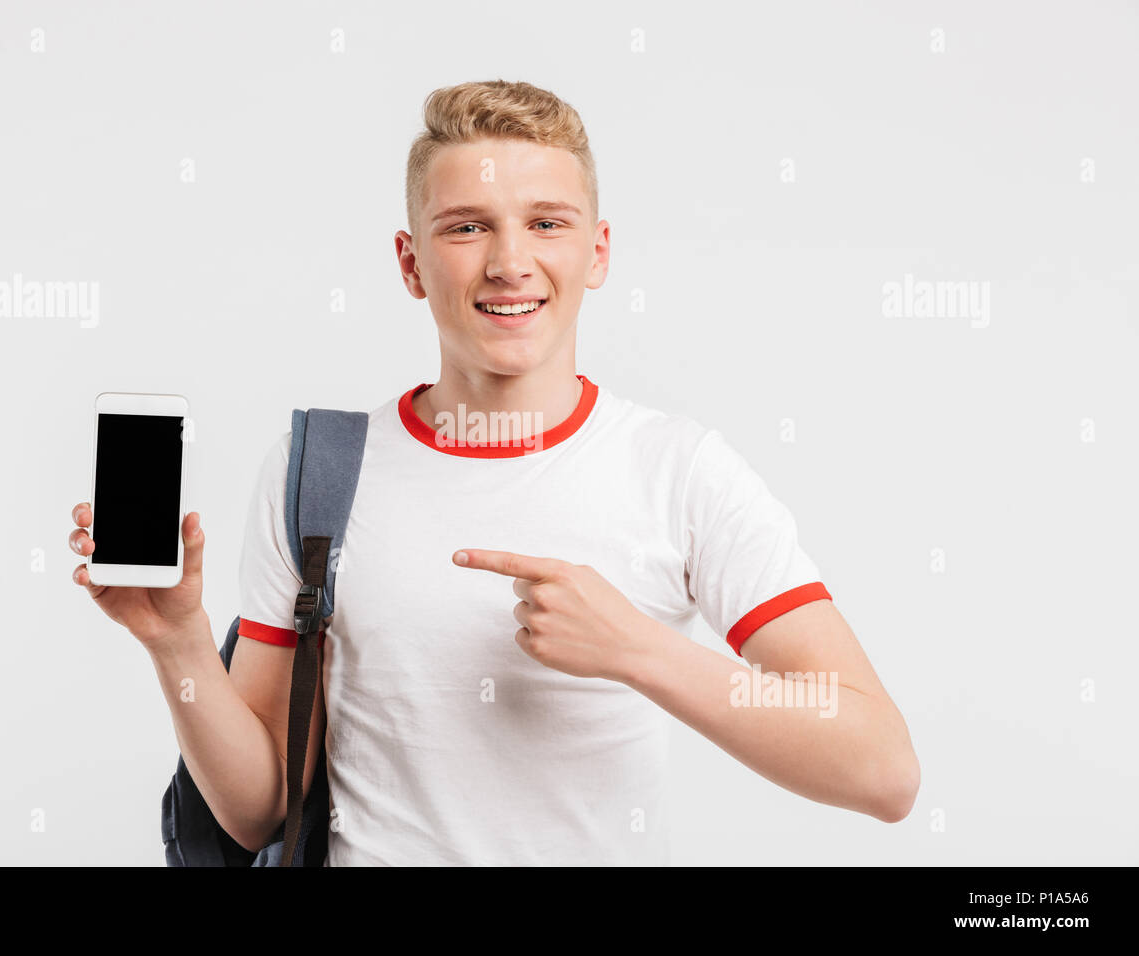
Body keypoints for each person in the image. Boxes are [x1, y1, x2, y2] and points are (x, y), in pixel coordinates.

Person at [71, 79, 919, 866]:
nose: (510, 262)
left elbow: (882, 770)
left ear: (599, 252)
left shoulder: (682, 472)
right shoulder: (319, 471)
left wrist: (641, 652)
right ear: (410, 262)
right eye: (467, 225)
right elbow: (260, 811)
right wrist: (175, 640)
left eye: (547, 222)